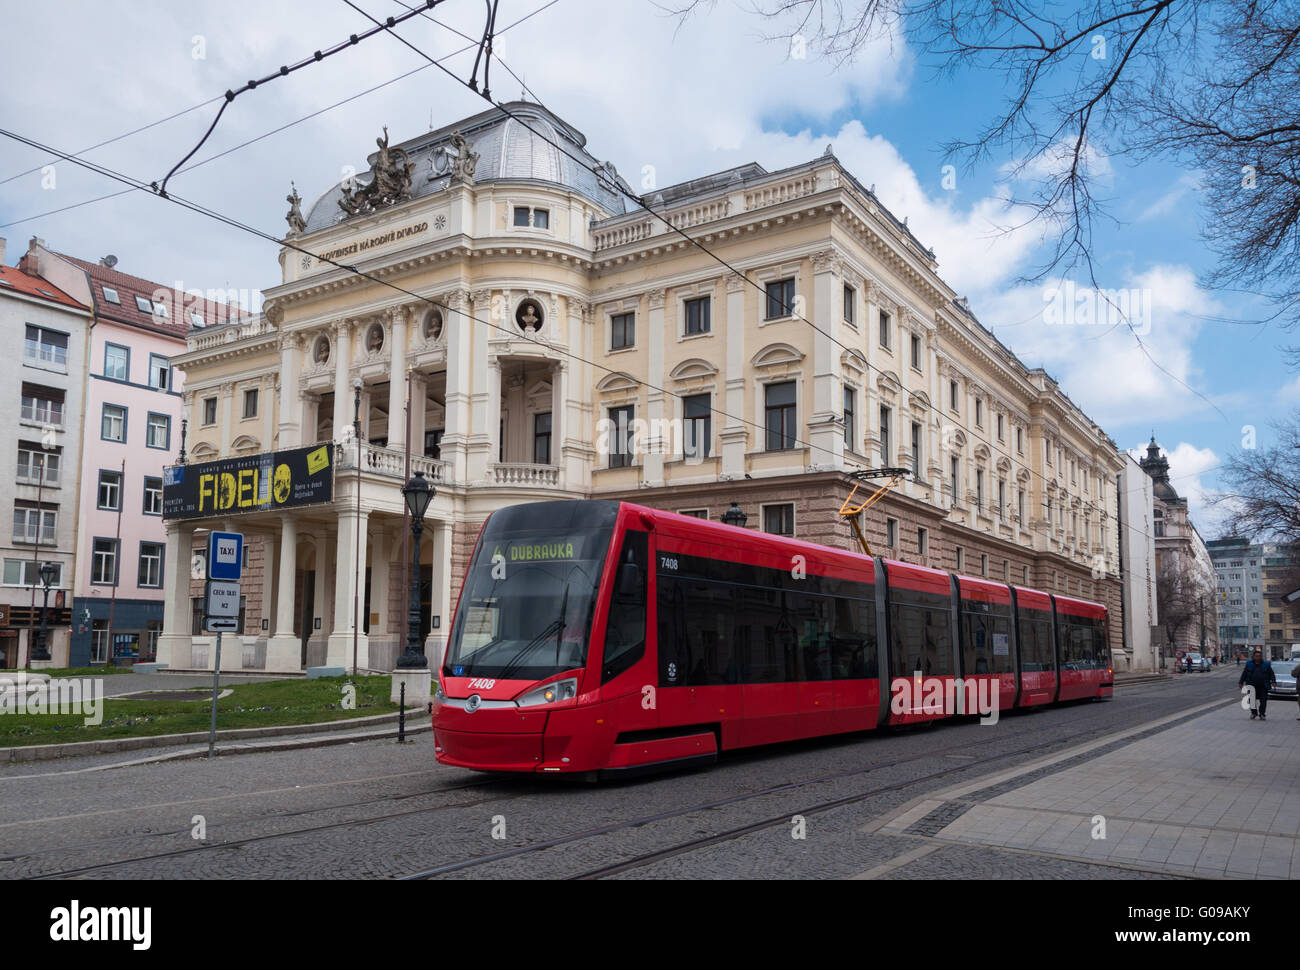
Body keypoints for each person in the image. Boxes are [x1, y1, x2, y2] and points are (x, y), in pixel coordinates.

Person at [1239, 649, 1276, 720]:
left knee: (1263, 701)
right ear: (1253, 657)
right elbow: (1244, 674)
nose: (1258, 657)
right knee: (1251, 701)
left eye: (1259, 656)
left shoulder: (1266, 665)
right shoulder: (1249, 664)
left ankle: (1262, 714)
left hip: (1263, 686)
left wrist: (1273, 681)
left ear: (1261, 657)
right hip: (1252, 686)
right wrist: (1241, 682)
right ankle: (1254, 713)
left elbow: (1271, 674)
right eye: (1256, 656)